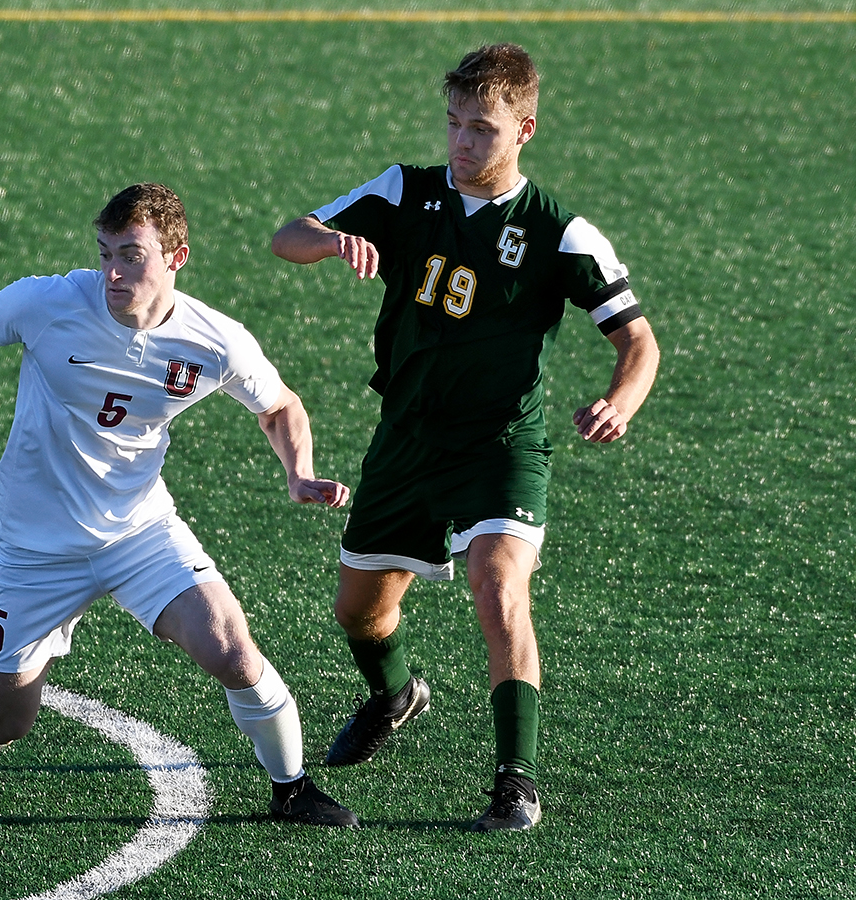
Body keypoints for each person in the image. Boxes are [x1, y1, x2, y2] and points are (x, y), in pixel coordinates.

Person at [0, 183, 359, 826]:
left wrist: (299, 472)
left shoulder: (215, 343)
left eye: (132, 255)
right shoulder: (49, 303)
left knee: (232, 650)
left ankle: (290, 787)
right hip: (36, 552)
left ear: (176, 257)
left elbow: (280, 406)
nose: (113, 273)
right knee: (4, 724)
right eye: (104, 254)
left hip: (140, 532)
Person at [270, 44, 660, 831]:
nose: (461, 143)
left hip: (502, 446)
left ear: (525, 130)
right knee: (360, 615)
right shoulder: (405, 192)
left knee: (497, 585)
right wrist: (330, 241)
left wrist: (621, 400)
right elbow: (288, 234)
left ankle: (517, 782)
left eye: (481, 129)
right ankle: (395, 692)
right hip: (407, 439)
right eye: (453, 124)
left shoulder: (562, 233)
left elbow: (639, 342)